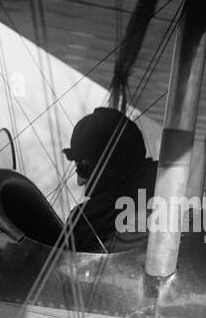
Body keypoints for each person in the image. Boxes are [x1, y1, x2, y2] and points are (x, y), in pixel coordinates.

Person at [61, 107, 156, 253]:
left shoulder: (86, 223)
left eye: (83, 167)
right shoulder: (176, 205)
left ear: (111, 165)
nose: (79, 181)